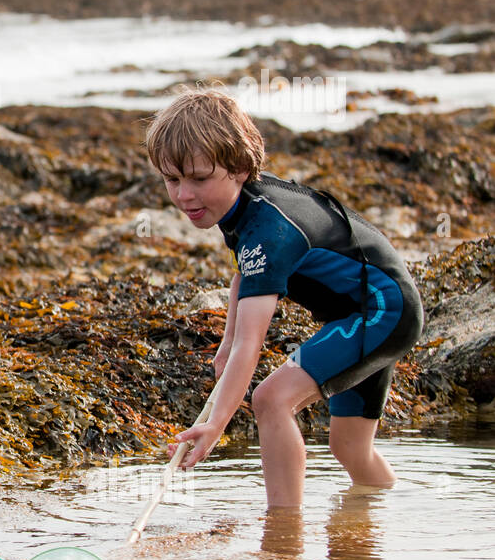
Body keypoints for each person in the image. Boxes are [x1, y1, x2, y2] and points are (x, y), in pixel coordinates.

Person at [144, 87, 423, 507]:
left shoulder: (270, 228)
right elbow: (246, 274)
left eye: (199, 178)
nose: (184, 195)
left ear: (238, 167)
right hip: (367, 313)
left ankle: (282, 537)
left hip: (382, 311)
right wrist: (224, 343)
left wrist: (216, 423)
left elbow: (251, 345)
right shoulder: (241, 210)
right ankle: (383, 520)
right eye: (173, 179)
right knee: (350, 449)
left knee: (271, 399)